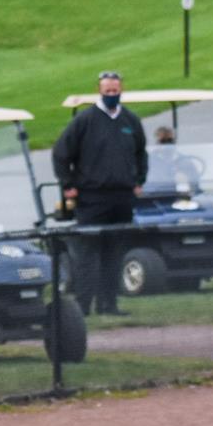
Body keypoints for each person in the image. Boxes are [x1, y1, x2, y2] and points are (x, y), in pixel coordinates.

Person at [51, 70, 146, 315]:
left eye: (116, 91)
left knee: (114, 253)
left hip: (122, 197)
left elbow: (140, 153)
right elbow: (61, 154)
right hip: (92, 198)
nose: (112, 95)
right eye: (108, 92)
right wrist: (68, 183)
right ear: (100, 91)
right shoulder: (85, 120)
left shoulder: (130, 121)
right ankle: (83, 305)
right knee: (88, 255)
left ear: (121, 90)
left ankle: (109, 304)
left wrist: (138, 180)